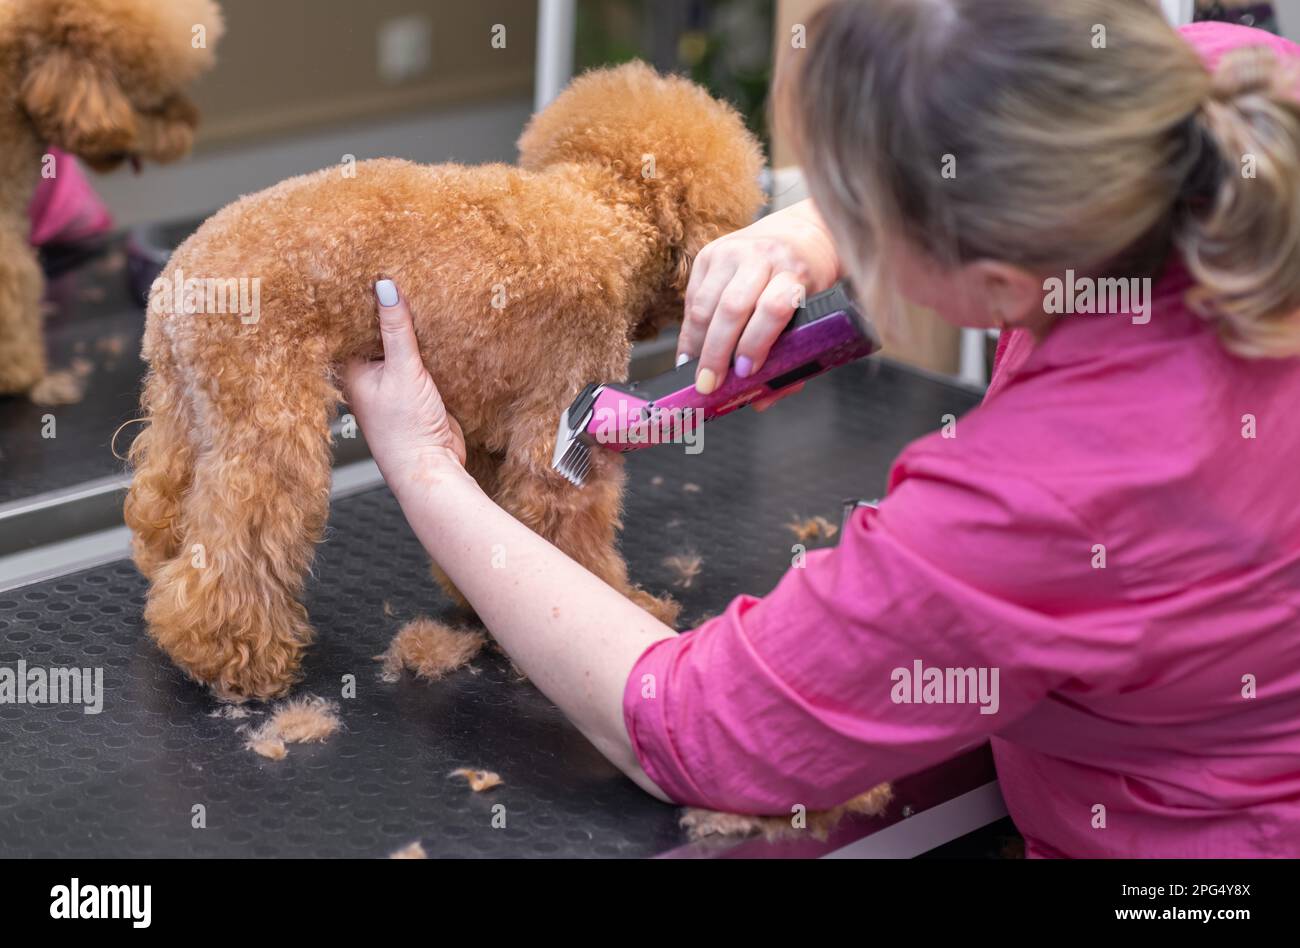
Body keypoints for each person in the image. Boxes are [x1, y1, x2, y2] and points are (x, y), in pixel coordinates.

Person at [345, 0, 1300, 857]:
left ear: (998, 286)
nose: (835, 223)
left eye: (855, 207)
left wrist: (427, 468)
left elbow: (695, 727)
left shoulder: (1034, 499)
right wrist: (807, 236)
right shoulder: (1234, 87)